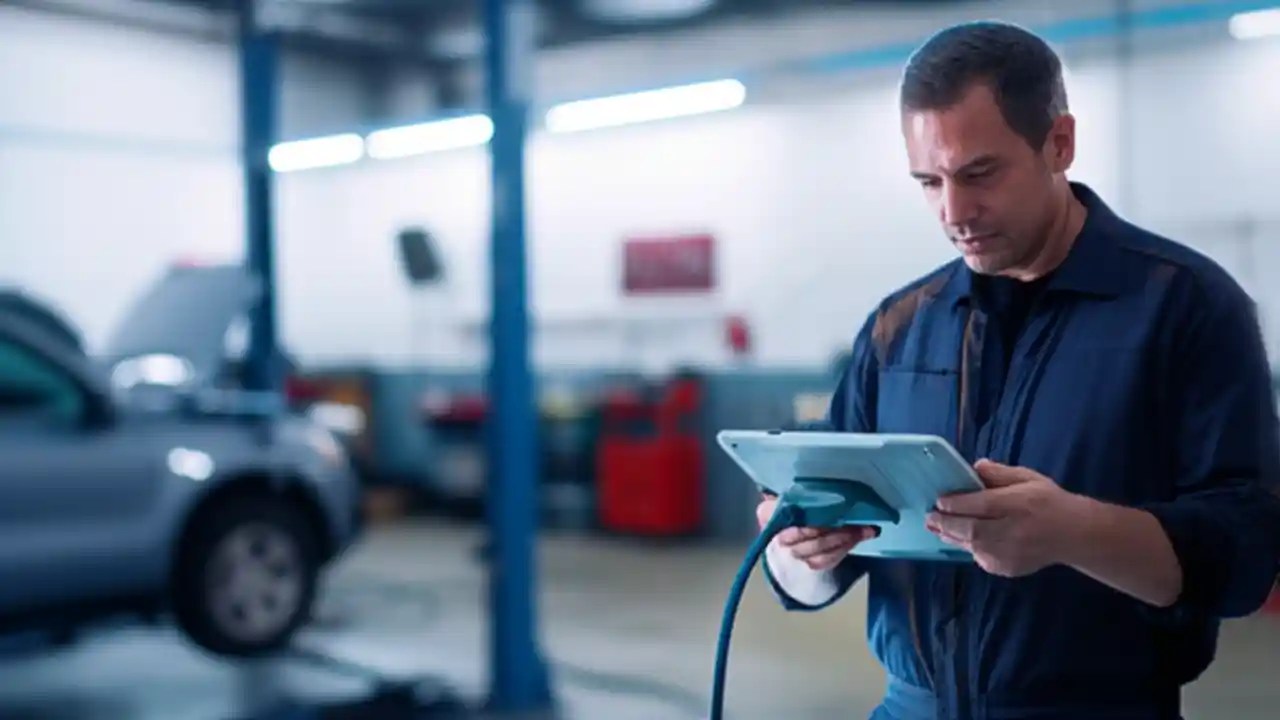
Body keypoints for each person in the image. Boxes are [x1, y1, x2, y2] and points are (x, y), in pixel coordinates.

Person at [757, 20, 1280, 720]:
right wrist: (796, 551)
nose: (954, 212)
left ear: (1059, 143)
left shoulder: (1184, 309)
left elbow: (1245, 559)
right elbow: (827, 566)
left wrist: (1073, 531)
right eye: (929, 181)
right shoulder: (899, 328)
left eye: (979, 174)